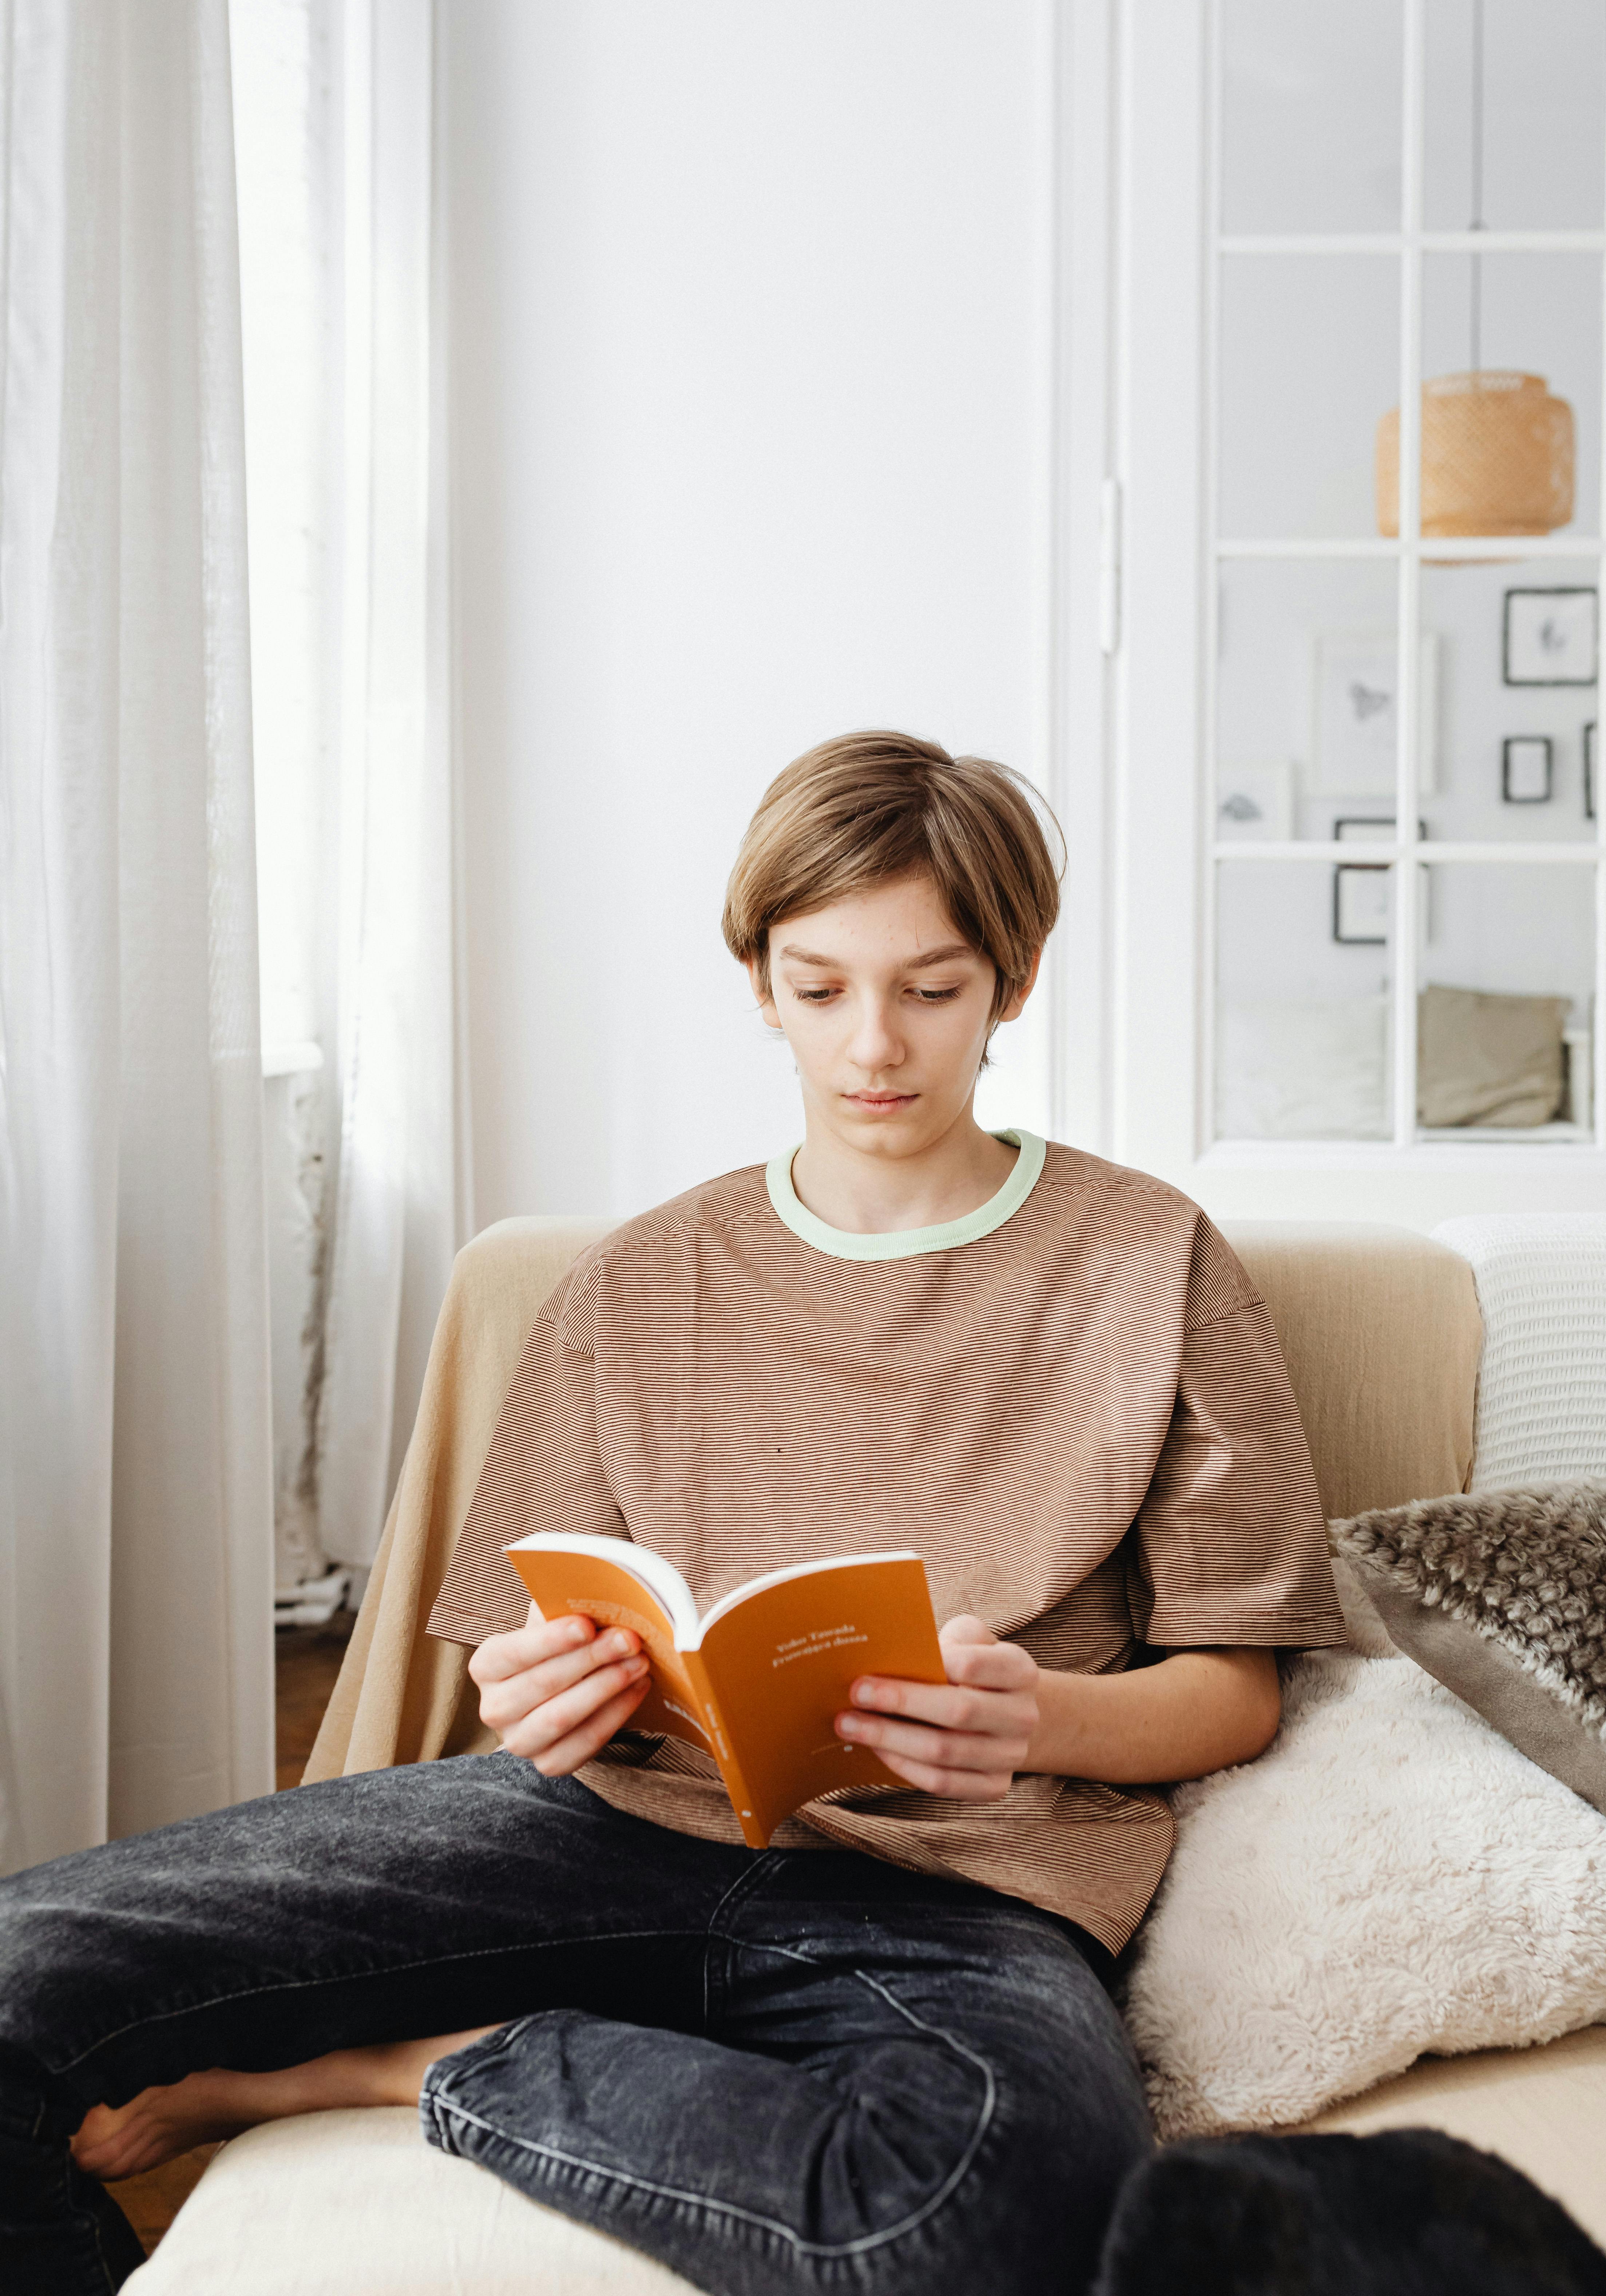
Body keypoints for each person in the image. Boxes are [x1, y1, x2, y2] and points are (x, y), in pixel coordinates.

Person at [0, 731, 1342, 2296]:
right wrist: (530, 1693)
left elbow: (1236, 1692)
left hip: (960, 1895)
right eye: (821, 984)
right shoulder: (636, 1280)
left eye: (932, 986)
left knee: (998, 2214)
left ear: (1012, 983)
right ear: (760, 983)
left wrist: (1034, 1720)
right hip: (604, 1825)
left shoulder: (1149, 1259)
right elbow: (518, 1654)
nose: (874, 1047)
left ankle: (423, 2067)